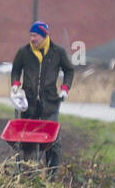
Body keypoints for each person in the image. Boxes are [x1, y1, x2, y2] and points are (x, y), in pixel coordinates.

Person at [10, 21, 75, 170]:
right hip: (28, 102)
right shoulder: (24, 52)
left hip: (50, 102)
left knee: (52, 139)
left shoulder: (57, 52)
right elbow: (15, 70)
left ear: (44, 36)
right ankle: (26, 170)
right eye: (31, 35)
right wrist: (15, 85)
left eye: (36, 35)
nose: (32, 39)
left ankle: (52, 173)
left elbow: (69, 70)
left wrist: (65, 88)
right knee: (26, 137)